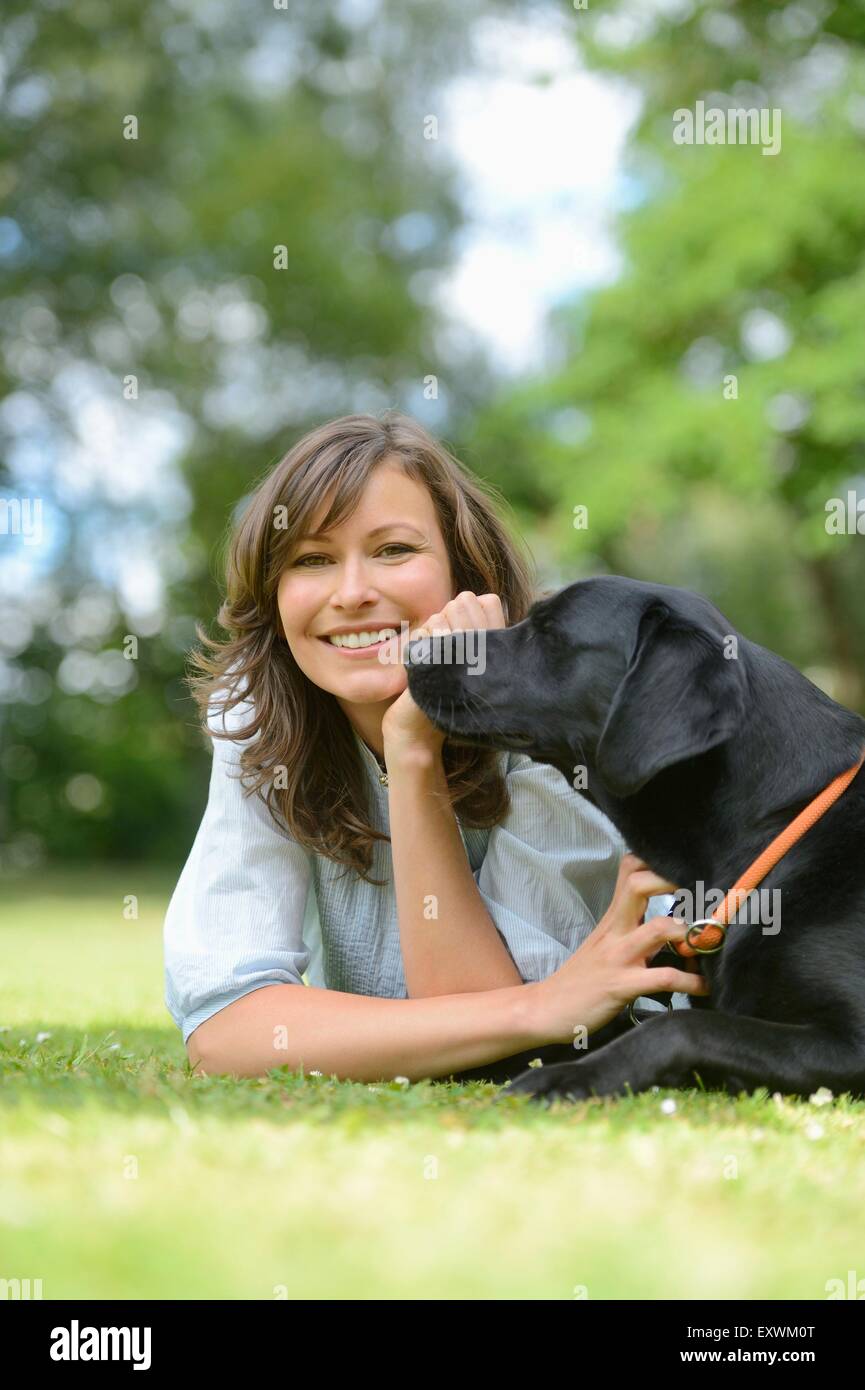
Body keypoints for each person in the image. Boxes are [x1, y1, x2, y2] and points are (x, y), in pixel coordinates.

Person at [163, 410, 709, 1082]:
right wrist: (539, 1005)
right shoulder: (258, 726)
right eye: (312, 559)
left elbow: (507, 1048)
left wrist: (412, 747)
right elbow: (224, 1028)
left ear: (464, 573)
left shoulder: (557, 721)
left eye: (394, 550)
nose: (353, 592)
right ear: (274, 596)